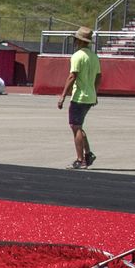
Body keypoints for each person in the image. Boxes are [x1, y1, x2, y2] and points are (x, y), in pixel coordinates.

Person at [57, 26, 101, 168]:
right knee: (79, 126)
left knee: (75, 127)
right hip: (90, 96)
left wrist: (63, 95)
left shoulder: (77, 56)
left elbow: (72, 76)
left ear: (79, 41)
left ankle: (80, 159)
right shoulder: (94, 56)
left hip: (79, 97)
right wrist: (95, 92)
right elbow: (99, 76)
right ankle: (88, 154)